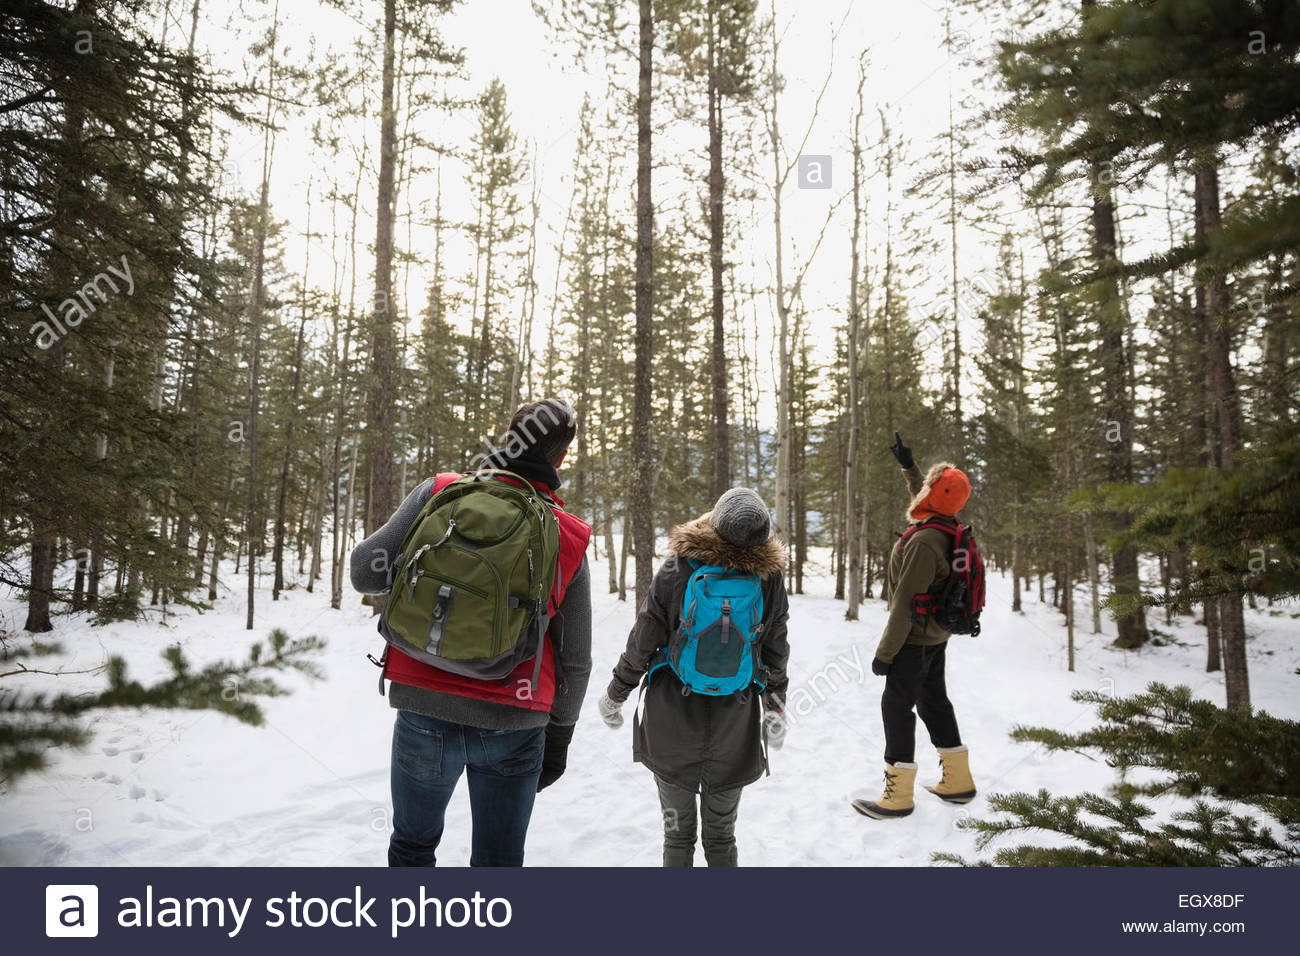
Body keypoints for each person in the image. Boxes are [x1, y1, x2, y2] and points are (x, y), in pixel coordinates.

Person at [350, 399, 593, 866]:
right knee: (498, 863)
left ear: (509, 435)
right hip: (515, 720)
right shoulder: (568, 534)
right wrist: (559, 737)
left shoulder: (441, 490)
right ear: (562, 457)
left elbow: (365, 572)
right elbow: (575, 659)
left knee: (412, 847)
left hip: (423, 706)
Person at [599, 488, 790, 866]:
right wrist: (775, 708)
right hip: (734, 721)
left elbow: (644, 636)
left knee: (677, 835)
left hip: (671, 717)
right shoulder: (768, 576)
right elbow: (776, 647)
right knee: (721, 836)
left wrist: (616, 693)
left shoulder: (678, 567)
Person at [853, 432, 977, 820]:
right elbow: (930, 495)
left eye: (927, 485)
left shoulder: (924, 543)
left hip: (914, 639)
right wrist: (909, 466)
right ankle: (957, 781)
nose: (921, 489)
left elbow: (905, 603)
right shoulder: (947, 524)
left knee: (896, 705)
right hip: (935, 636)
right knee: (933, 701)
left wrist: (884, 654)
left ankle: (898, 796)